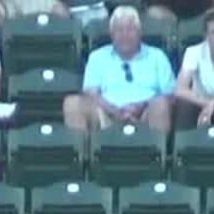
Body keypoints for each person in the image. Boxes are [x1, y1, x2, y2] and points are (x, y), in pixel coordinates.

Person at [63, 4, 176, 134]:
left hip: (145, 116)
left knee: (160, 104)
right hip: (106, 116)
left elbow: (170, 96)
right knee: (72, 103)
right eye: (119, 30)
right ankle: (81, 153)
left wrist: (141, 106)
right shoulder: (97, 57)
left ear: (140, 32)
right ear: (111, 34)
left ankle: (156, 151)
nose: (125, 35)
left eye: (130, 29)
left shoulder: (157, 56)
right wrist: (114, 111)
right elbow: (90, 94)